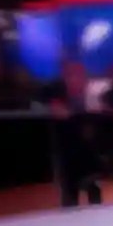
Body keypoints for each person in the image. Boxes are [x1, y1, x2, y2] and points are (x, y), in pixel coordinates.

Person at [45, 62, 103, 208]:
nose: (76, 80)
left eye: (80, 75)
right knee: (70, 195)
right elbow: (59, 115)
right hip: (67, 156)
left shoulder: (92, 99)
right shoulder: (57, 99)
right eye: (71, 76)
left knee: (94, 191)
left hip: (90, 155)